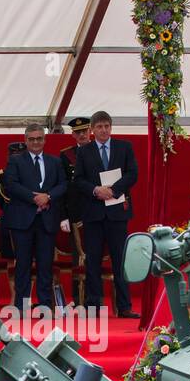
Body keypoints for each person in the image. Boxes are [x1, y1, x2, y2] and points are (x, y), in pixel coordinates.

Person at [74, 110, 139, 317]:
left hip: (117, 212)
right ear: (92, 130)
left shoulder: (124, 147)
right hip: (93, 213)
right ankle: (94, 306)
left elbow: (132, 174)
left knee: (120, 259)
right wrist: (96, 190)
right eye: (99, 126)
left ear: (111, 127)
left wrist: (113, 190)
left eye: (106, 126)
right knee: (92, 260)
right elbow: (78, 180)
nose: (103, 130)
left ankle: (124, 306)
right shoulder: (84, 151)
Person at [2, 124, 67, 313]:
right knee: (22, 265)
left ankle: (45, 306)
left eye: (39, 138)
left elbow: (63, 184)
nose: (36, 142)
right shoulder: (16, 161)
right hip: (23, 221)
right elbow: (11, 184)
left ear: (45, 140)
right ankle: (21, 307)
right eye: (32, 139)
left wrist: (49, 197)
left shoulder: (55, 162)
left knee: (45, 265)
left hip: (47, 220)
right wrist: (35, 198)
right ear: (26, 140)